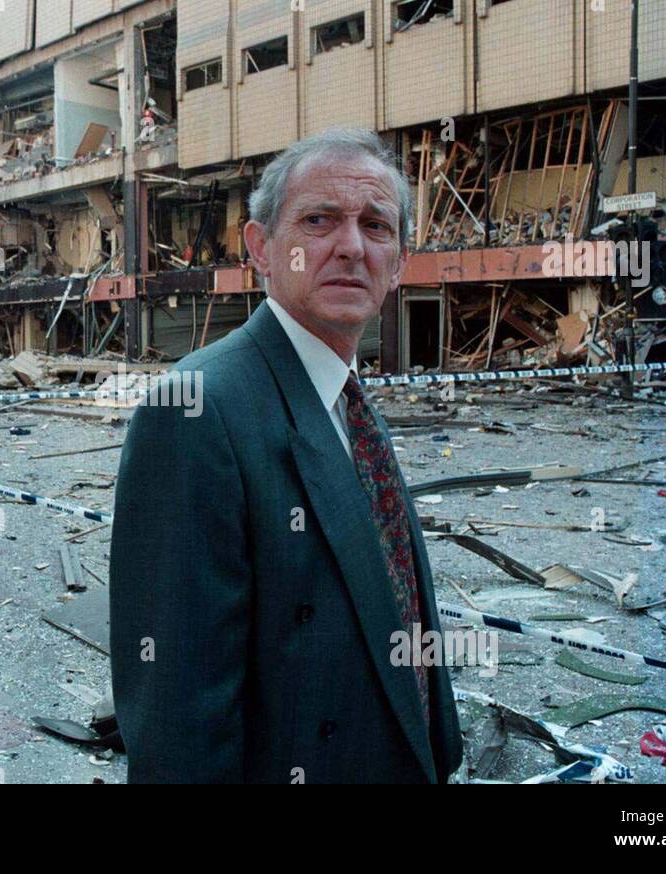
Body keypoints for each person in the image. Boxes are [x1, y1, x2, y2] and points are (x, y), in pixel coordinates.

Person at [109, 127, 462, 783]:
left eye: (376, 226)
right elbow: (177, 718)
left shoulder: (345, 397)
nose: (351, 247)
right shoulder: (194, 412)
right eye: (319, 220)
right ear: (262, 248)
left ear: (400, 262)